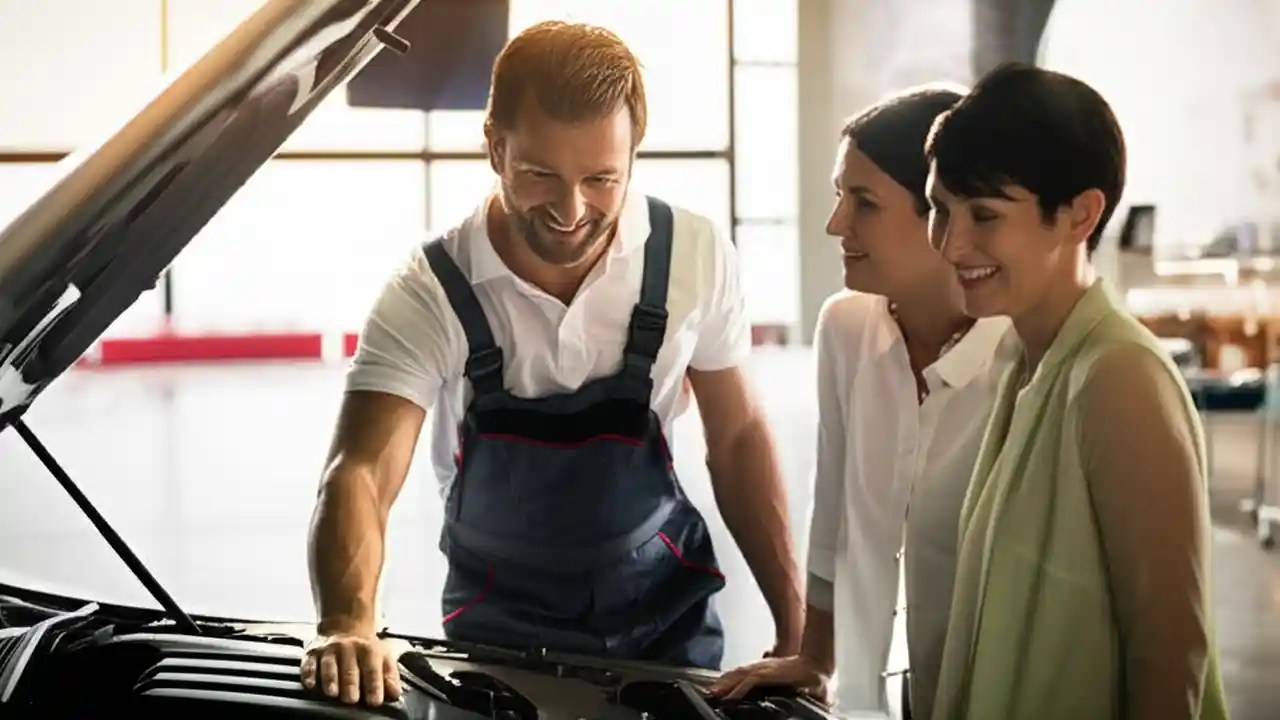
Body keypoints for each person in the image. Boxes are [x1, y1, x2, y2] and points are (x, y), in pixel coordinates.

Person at [298, 20, 804, 707]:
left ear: (633, 155)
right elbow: (360, 469)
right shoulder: (430, 289)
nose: (572, 210)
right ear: (494, 147)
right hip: (497, 629)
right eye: (541, 175)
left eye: (602, 179)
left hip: (667, 622)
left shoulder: (693, 254)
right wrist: (346, 622)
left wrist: (797, 628)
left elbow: (738, 436)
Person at [923, 62, 1230, 720]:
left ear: (1080, 214)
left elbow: (1170, 652)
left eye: (984, 214)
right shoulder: (1022, 361)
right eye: (940, 211)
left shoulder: (1119, 379)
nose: (952, 245)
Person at [709, 86, 1017, 719]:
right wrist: (814, 656)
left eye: (864, 203)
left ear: (941, 213)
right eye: (838, 195)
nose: (835, 224)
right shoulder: (848, 327)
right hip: (888, 696)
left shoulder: (1021, 353)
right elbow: (834, 510)